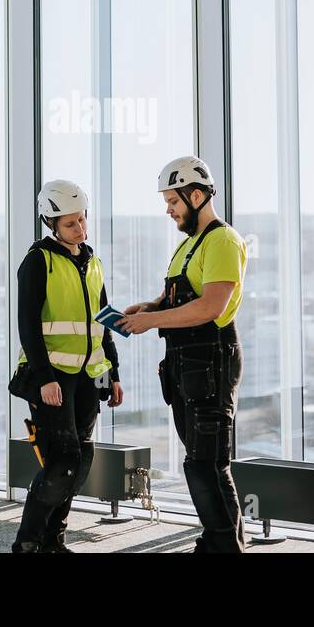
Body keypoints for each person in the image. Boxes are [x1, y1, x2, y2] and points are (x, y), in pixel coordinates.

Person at [121, 155, 247, 553]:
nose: (168, 210)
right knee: (201, 461)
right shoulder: (190, 245)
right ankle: (219, 540)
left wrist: (153, 323)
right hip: (187, 366)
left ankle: (224, 546)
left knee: (206, 464)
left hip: (211, 362)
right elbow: (176, 296)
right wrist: (148, 309)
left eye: (173, 202)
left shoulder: (223, 240)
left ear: (196, 195)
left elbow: (210, 306)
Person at [10, 179, 123, 553]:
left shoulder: (93, 262)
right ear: (51, 223)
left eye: (82, 219)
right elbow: (28, 325)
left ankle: (53, 543)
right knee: (63, 462)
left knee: (81, 459)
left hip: (88, 379)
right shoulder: (38, 261)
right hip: (52, 379)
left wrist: (114, 374)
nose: (81, 228)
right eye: (71, 223)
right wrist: (44, 379)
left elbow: (102, 321)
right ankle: (27, 543)